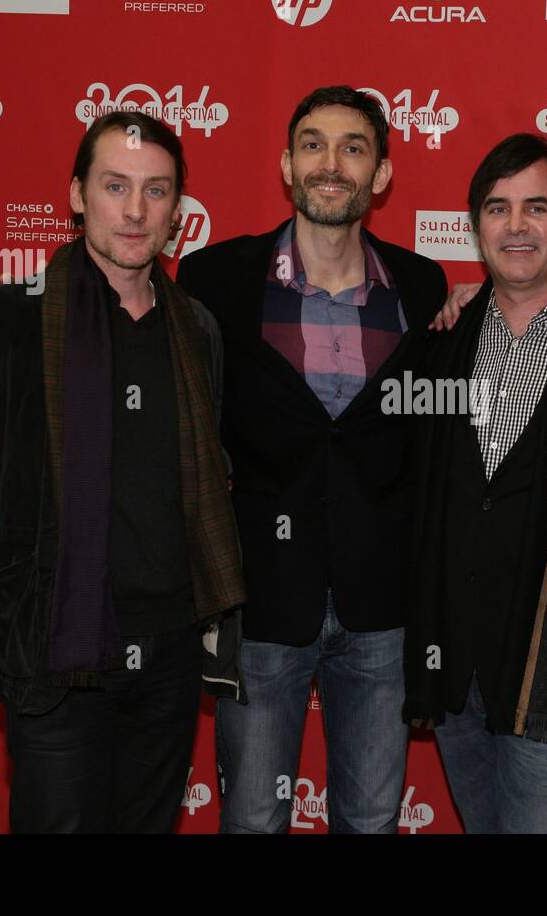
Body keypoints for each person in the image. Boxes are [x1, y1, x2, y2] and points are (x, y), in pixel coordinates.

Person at [0, 110, 246, 833]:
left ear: (177, 208)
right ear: (78, 194)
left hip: (171, 659)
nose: (135, 209)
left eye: (156, 190)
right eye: (116, 185)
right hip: (56, 658)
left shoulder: (198, 329)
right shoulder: (6, 319)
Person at [177, 86, 447, 834]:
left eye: (354, 147)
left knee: (370, 818)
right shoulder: (214, 281)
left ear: (382, 175)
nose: (332, 164)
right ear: (287, 165)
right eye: (314, 145)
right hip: (262, 603)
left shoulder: (421, 287)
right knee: (255, 817)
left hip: (383, 610)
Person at [403, 134, 547, 834]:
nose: (515, 226)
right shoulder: (441, 339)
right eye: (497, 208)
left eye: (537, 207)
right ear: (476, 226)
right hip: (455, 673)